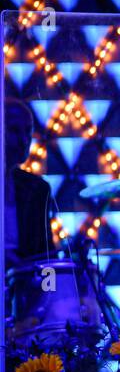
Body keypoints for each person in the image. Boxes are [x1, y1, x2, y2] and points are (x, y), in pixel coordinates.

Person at [3, 97, 54, 269]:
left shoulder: (38, 188)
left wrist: (50, 291)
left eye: (28, 132)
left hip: (26, 287)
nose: (24, 140)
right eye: (14, 130)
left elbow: (47, 256)